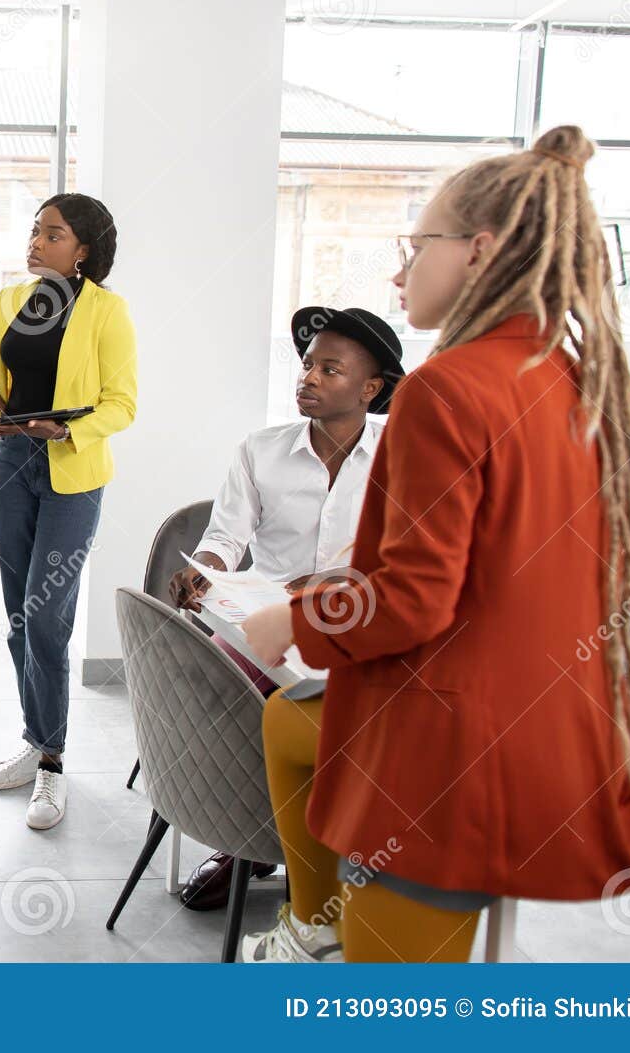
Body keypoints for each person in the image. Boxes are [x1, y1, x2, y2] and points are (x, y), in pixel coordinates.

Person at [239, 125, 630, 962]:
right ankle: (316, 917)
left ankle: (315, 922)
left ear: (479, 251)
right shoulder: (571, 375)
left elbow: (413, 595)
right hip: (546, 734)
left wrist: (294, 621)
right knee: (291, 725)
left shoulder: (444, 387)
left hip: (451, 762)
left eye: (417, 246)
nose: (401, 272)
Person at [165, 306, 403, 911]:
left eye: (330, 369)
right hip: (262, 625)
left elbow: (414, 558)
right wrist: (206, 570)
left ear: (370, 389)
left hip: (362, 627)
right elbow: (224, 538)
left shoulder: (405, 456)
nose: (309, 378)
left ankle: (333, 855)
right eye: (306, 365)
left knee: (361, 716)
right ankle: (249, 843)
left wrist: (336, 582)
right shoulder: (261, 450)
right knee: (217, 691)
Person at [0, 194, 136, 829]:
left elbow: (122, 404)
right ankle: (35, 740)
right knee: (18, 614)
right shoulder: (13, 300)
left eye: (53, 234)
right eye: (35, 231)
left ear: (83, 249)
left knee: (46, 616)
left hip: (70, 472)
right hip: (11, 464)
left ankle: (53, 765)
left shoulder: (107, 313)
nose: (36, 243)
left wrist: (66, 433)